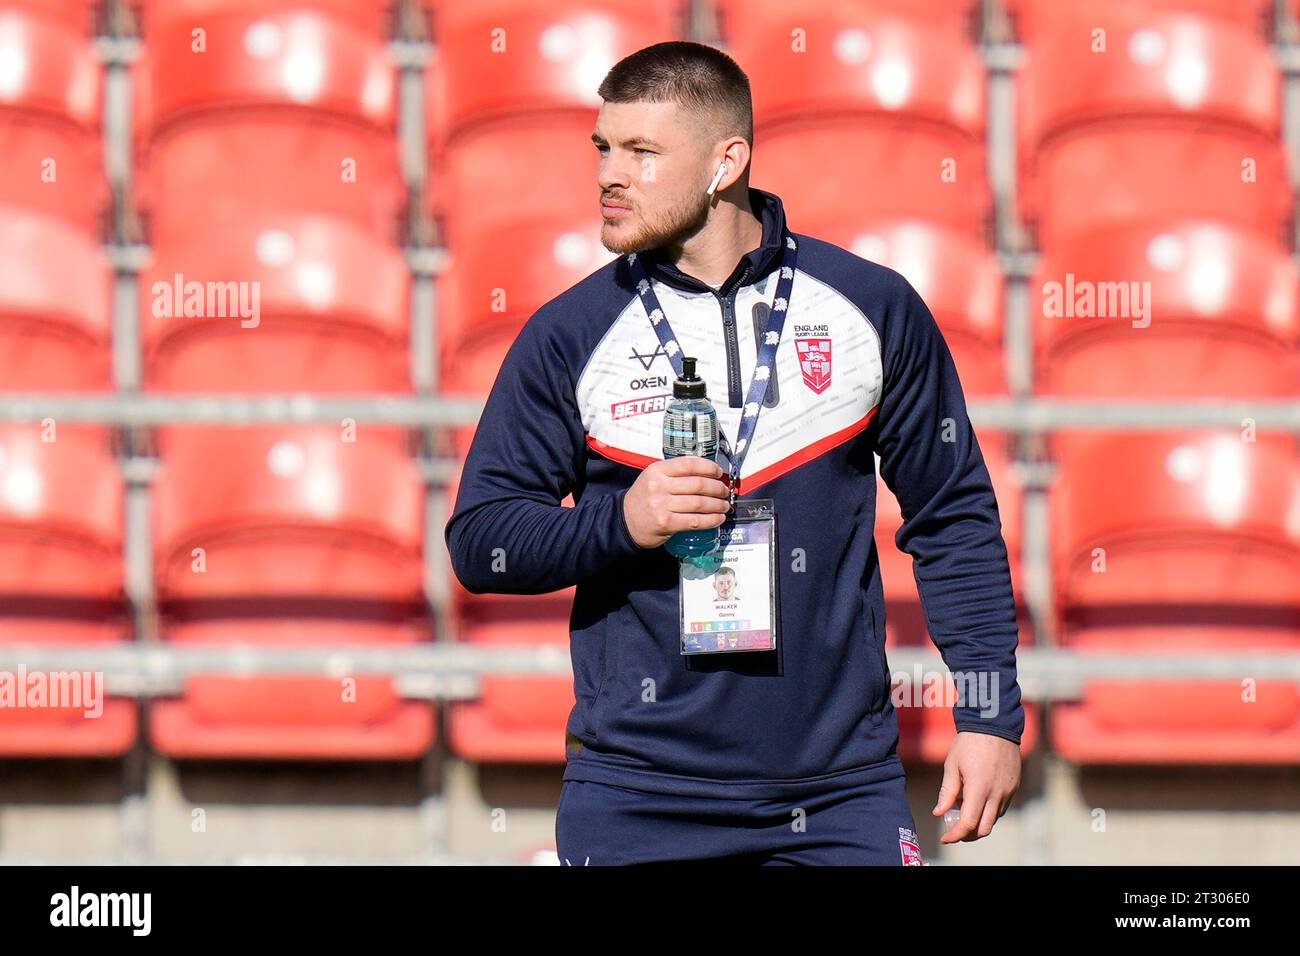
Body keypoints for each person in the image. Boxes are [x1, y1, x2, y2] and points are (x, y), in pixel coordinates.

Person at [445, 40, 1023, 865]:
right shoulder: (567, 334)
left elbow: (953, 517)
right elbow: (482, 541)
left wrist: (987, 712)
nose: (611, 173)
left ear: (727, 161)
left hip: (839, 794)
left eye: (643, 152)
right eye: (604, 148)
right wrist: (623, 522)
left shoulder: (870, 307)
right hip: (636, 791)